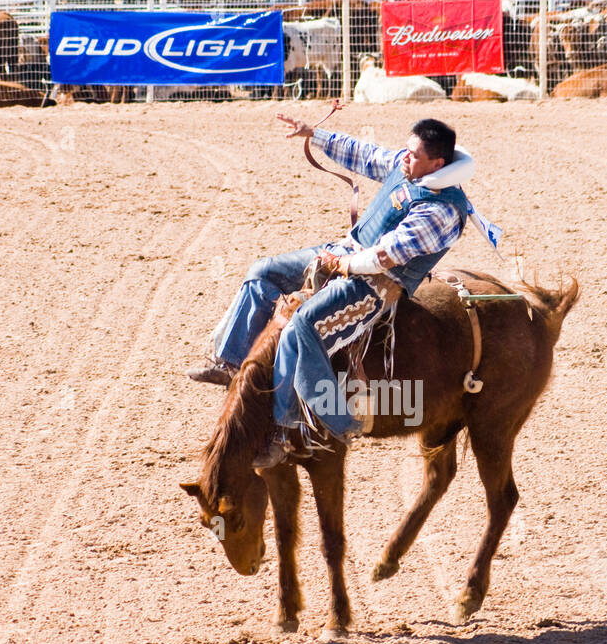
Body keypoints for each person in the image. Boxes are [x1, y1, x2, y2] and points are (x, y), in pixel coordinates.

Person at [187, 117, 474, 464]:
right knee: (262, 271)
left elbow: (386, 256)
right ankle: (230, 362)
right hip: (346, 251)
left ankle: (293, 428)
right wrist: (315, 135)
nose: (404, 158)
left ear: (437, 164)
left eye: (412, 155)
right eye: (407, 151)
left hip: (375, 286)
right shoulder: (410, 168)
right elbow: (366, 155)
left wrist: (343, 266)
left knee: (301, 328)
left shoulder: (440, 210)